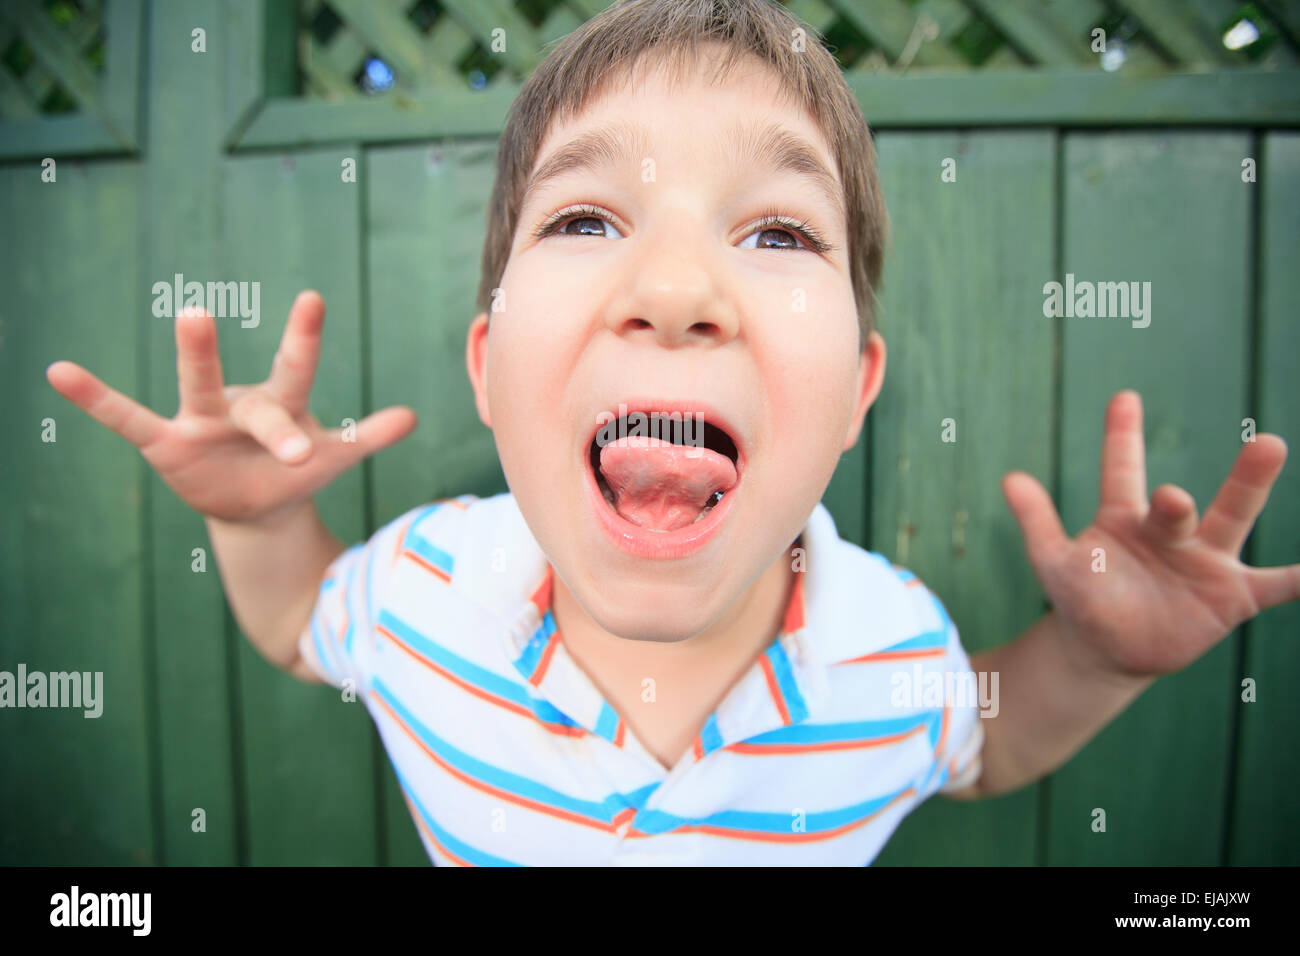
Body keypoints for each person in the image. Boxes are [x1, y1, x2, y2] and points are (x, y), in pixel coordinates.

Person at [45, 0, 1296, 865]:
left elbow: (989, 745)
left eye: (779, 232)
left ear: (856, 394)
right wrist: (257, 515)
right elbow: (292, 621)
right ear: (488, 368)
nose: (678, 287)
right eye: (585, 219)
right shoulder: (422, 588)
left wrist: (1094, 660)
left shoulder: (892, 644)